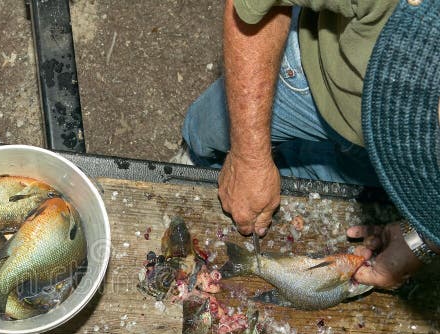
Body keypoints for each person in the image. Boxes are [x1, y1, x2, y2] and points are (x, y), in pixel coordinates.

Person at [181, 0, 439, 290]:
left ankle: (302, 163)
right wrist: (248, 157)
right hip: (311, 78)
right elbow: (253, 7)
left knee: (326, 182)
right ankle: (203, 162)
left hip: (384, 148)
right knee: (206, 132)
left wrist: (422, 241)